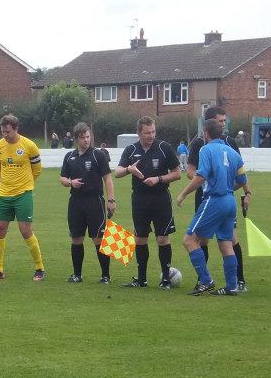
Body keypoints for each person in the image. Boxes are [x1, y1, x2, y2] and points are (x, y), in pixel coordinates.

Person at [176, 119, 248, 296]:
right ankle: (232, 286)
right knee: (225, 243)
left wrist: (184, 193)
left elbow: (200, 176)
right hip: (230, 201)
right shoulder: (233, 153)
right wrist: (227, 187)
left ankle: (206, 280)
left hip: (214, 200)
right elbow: (242, 180)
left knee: (189, 240)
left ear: (205, 134)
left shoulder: (206, 149)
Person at [115, 116, 181, 288]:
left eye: (153, 132)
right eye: (147, 133)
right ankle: (141, 279)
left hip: (160, 198)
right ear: (139, 133)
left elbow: (177, 173)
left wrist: (158, 179)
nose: (151, 135)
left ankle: (165, 279)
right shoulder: (131, 149)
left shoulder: (164, 147)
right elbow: (117, 172)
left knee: (162, 239)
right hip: (139, 199)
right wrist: (129, 169)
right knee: (140, 239)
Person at [0, 114, 45, 281]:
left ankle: (39, 268)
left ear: (16, 129)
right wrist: (7, 185)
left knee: (25, 230)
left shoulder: (29, 146)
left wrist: (25, 184)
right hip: (4, 194)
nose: (5, 135)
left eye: (8, 132)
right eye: (3, 132)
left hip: (23, 194)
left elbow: (37, 170)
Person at [60, 122, 117, 284]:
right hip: (76, 202)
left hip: (95, 201)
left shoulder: (98, 155)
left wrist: (111, 200)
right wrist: (71, 183)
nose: (86, 140)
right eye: (82, 137)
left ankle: (105, 276)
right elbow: (62, 178)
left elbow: (107, 179)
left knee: (98, 238)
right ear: (76, 139)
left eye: (88, 136)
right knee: (76, 238)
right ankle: (77, 275)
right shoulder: (70, 156)